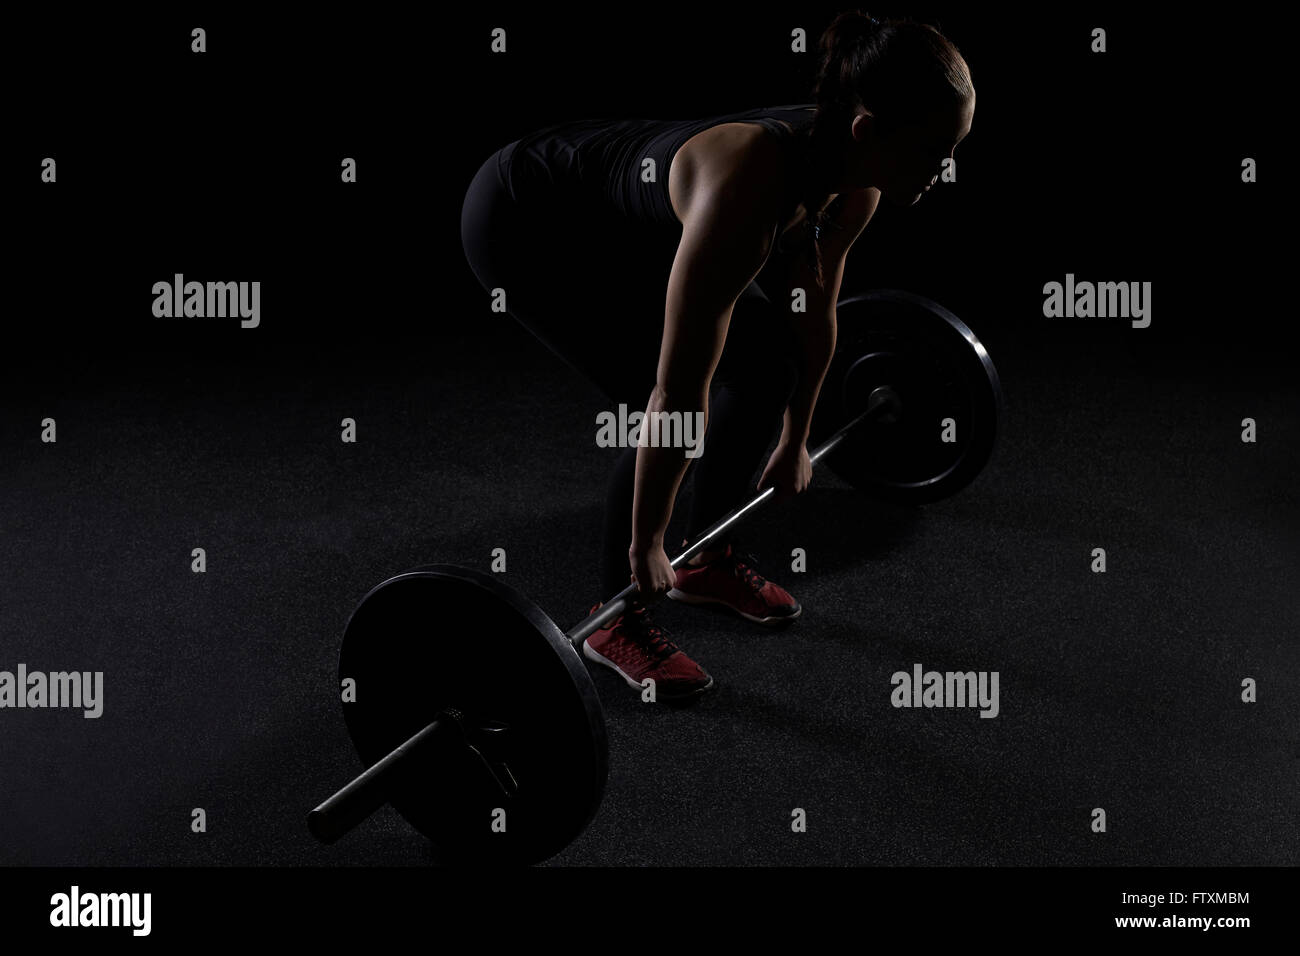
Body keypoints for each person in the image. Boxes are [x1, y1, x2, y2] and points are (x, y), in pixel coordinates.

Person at [460, 10, 974, 698]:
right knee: (665, 400)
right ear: (868, 130)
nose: (947, 170)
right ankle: (617, 615)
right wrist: (647, 542)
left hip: (624, 226)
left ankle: (706, 561)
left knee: (767, 361)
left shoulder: (855, 186)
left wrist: (797, 435)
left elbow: (813, 314)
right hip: (528, 222)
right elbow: (674, 398)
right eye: (937, 149)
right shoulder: (747, 187)